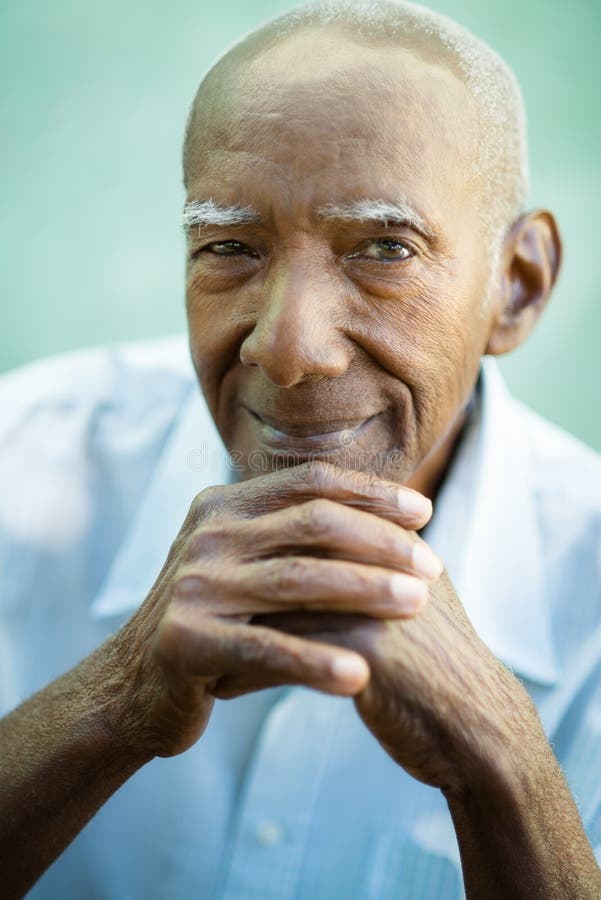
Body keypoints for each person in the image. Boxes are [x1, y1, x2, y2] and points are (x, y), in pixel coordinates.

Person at [1, 1, 601, 897]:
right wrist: (112, 703)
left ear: (515, 288)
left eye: (384, 249)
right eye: (230, 246)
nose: (287, 348)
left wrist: (502, 763)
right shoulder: (20, 457)